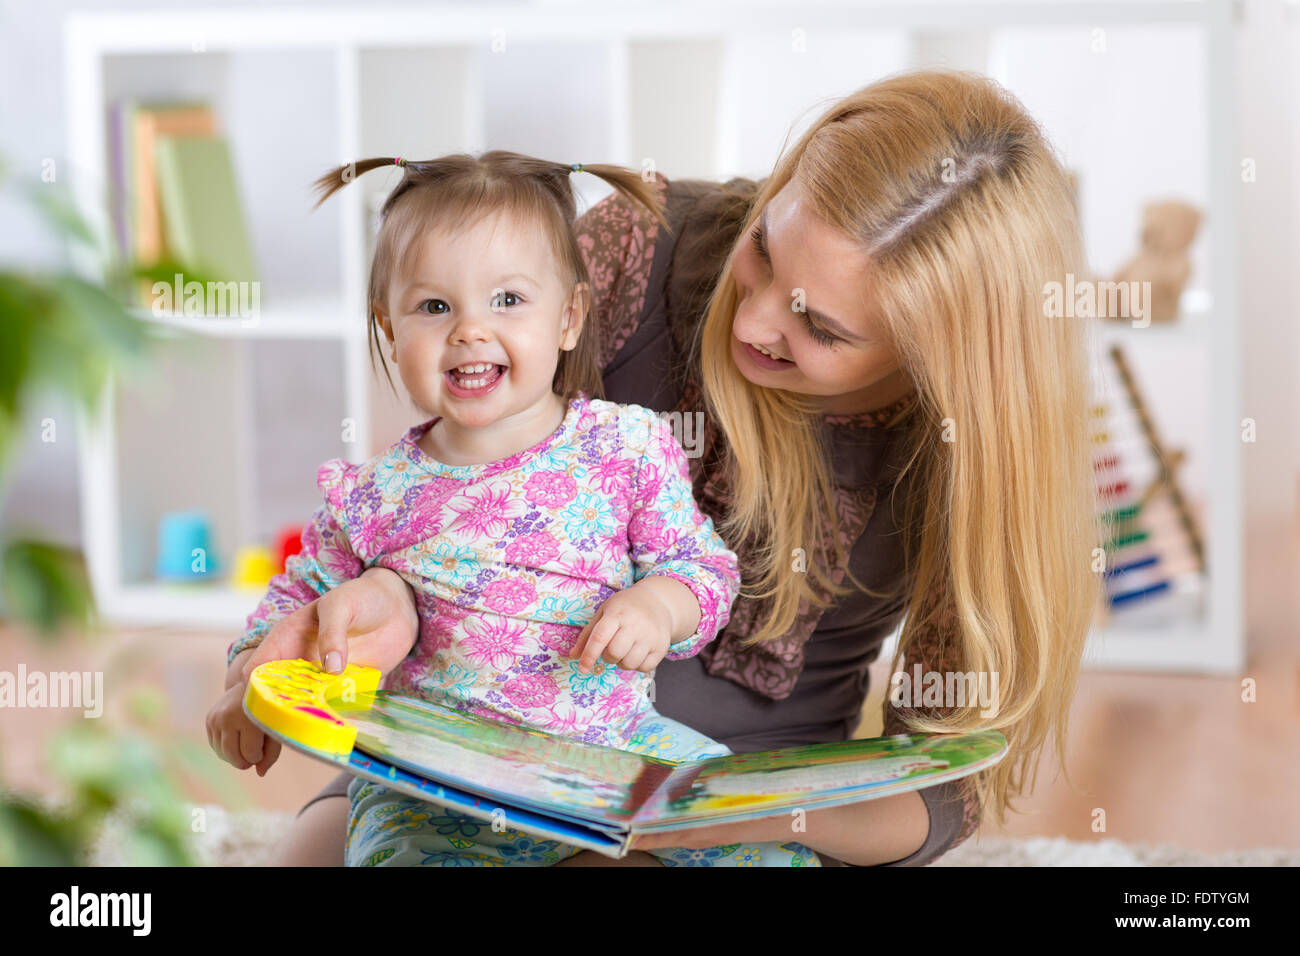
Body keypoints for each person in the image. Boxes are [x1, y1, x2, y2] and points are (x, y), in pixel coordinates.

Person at [222, 69, 1101, 867]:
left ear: (933, 357)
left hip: (737, 799)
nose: (754, 322)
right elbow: (462, 489)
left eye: (820, 328)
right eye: (762, 252)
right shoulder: (640, 251)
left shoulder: (968, 452)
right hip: (472, 749)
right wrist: (363, 621)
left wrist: (736, 815)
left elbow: (945, 779)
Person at [207, 149, 820, 867]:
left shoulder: (623, 446)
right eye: (434, 307)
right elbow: (291, 604)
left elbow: (705, 570)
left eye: (507, 300)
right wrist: (247, 677)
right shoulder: (372, 496)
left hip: (611, 751)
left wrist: (660, 605)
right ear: (388, 328)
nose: (469, 329)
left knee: (764, 847)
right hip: (433, 783)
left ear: (569, 317)